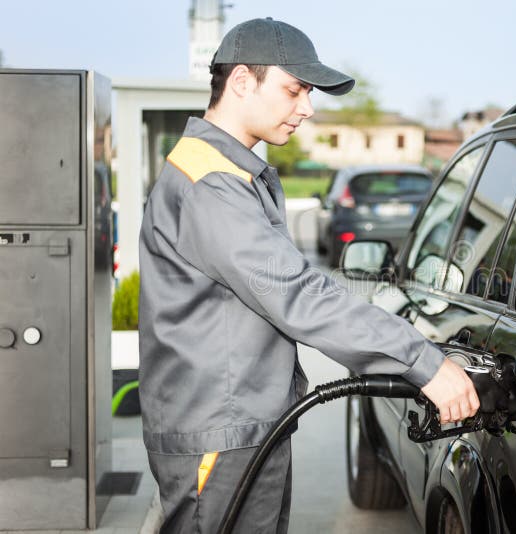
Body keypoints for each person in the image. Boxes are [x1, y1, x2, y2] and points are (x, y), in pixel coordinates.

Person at [138, 17, 480, 533]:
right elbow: (299, 294)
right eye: (294, 89)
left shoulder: (231, 173)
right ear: (240, 82)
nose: (308, 107)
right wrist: (422, 362)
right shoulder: (210, 184)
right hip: (221, 434)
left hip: (241, 426)